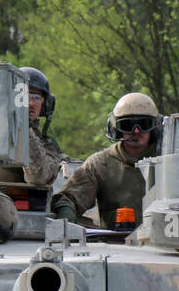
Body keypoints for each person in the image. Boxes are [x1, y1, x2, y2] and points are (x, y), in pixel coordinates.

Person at [51, 92, 161, 229]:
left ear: (155, 127)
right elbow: (69, 199)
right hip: (116, 245)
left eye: (144, 124)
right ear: (116, 128)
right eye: (128, 125)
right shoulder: (100, 164)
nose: (136, 131)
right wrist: (66, 223)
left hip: (166, 244)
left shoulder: (168, 162)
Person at [20, 67, 63, 187]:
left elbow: (39, 177)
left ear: (45, 104)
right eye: (25, 96)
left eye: (36, 98)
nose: (31, 103)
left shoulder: (46, 144)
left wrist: (25, 131)